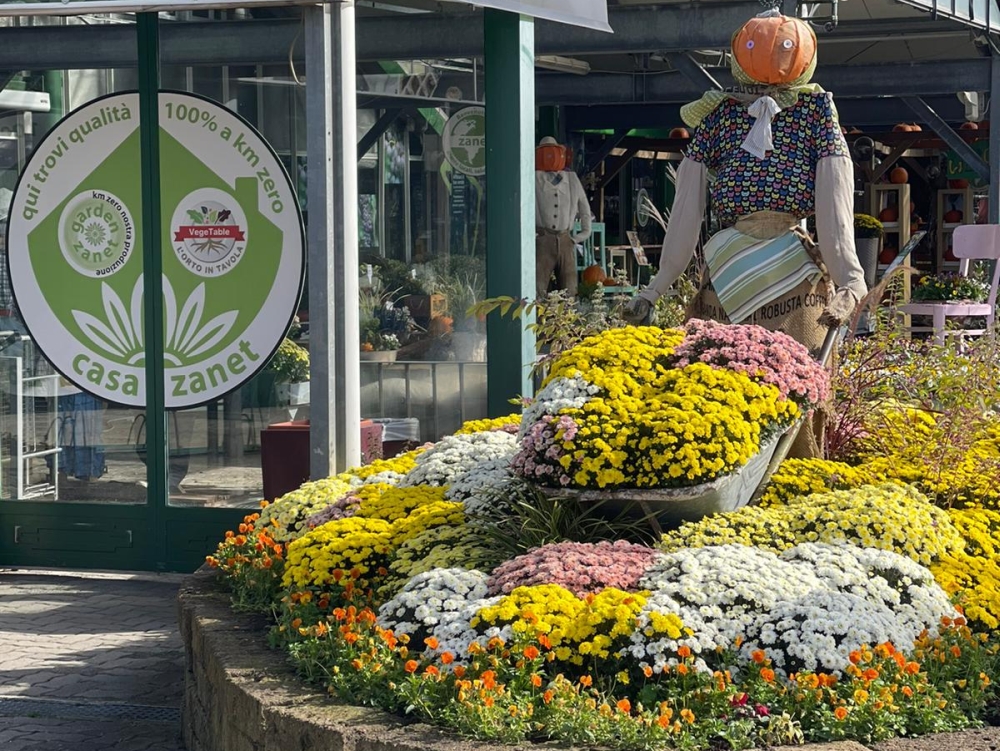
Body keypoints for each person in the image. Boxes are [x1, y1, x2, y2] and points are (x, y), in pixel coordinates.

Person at [624, 7, 868, 457]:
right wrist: (656, 287)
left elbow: (835, 204)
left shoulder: (817, 112)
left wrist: (850, 281)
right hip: (727, 259)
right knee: (718, 381)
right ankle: (719, 461)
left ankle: (797, 468)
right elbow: (686, 209)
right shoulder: (718, 116)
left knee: (798, 384)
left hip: (790, 263)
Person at [535, 136, 592, 299]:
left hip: (566, 237)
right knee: (539, 284)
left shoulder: (571, 179)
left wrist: (580, 235)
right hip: (543, 237)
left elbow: (584, 209)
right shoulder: (534, 177)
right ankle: (538, 319)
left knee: (569, 285)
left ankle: (568, 319)